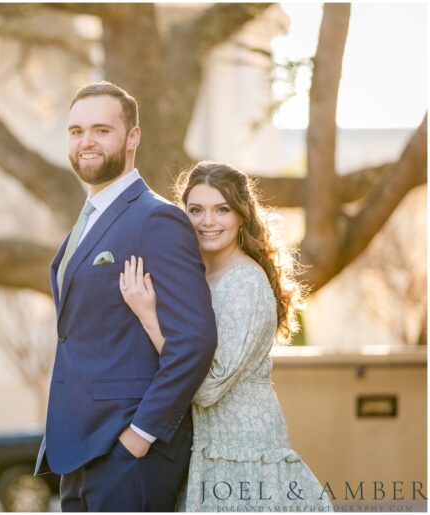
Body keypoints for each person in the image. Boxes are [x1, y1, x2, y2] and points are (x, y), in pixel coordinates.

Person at [33, 81, 218, 511]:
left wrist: (141, 434)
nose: (86, 142)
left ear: (132, 137)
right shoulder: (90, 219)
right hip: (78, 449)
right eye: (76, 131)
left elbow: (194, 341)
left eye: (101, 129)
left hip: (129, 454)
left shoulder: (156, 220)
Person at [119, 161, 333, 511]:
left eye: (222, 209)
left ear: (241, 216)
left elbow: (206, 386)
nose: (208, 221)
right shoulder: (197, 277)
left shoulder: (244, 283)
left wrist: (147, 314)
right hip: (207, 446)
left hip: (243, 449)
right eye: (196, 210)